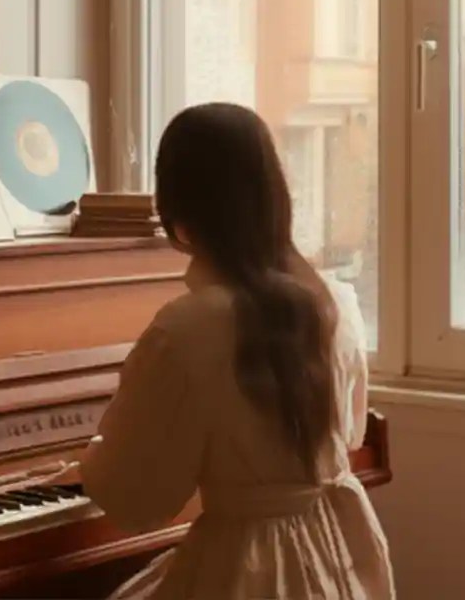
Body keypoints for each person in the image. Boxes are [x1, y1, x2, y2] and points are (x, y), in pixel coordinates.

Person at [79, 103, 394, 599]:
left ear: (178, 207)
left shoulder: (187, 327)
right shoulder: (335, 301)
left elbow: (137, 499)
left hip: (251, 573)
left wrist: (85, 464)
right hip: (340, 555)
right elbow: (351, 434)